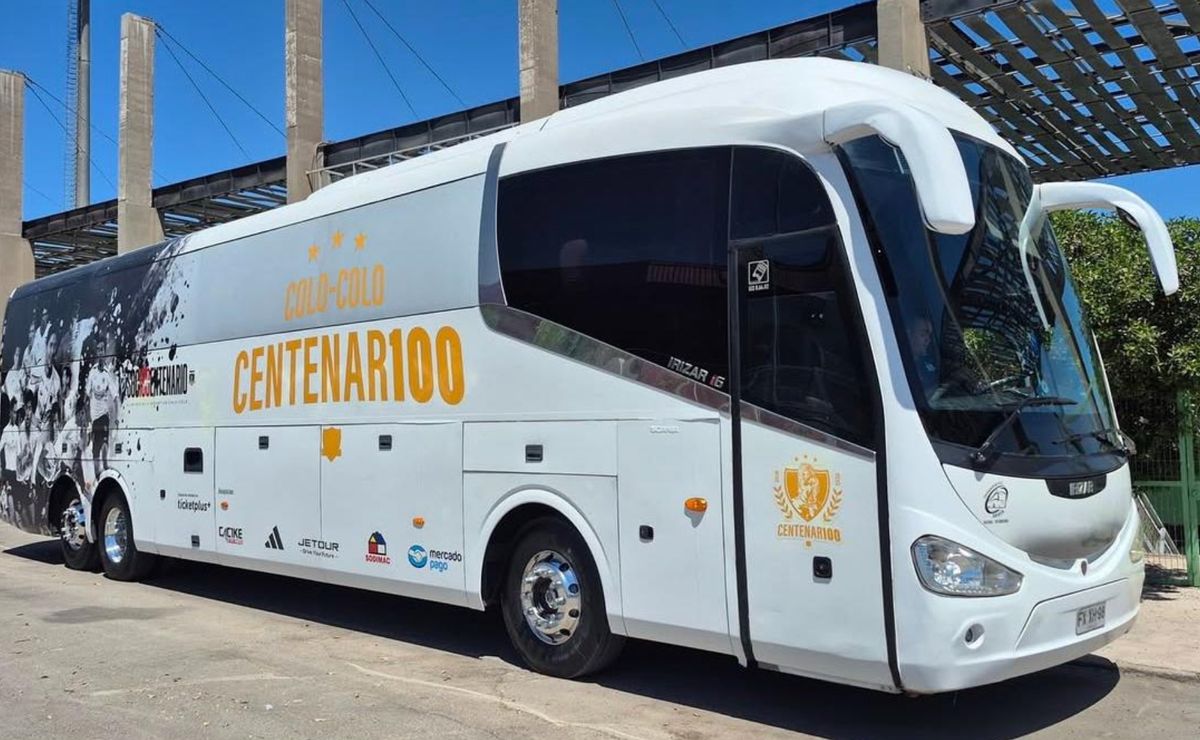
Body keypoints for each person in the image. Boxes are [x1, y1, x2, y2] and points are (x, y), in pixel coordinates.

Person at [907, 315, 939, 396]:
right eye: (923, 334)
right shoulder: (899, 366)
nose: (928, 340)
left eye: (929, 335)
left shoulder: (930, 362)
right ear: (909, 334)